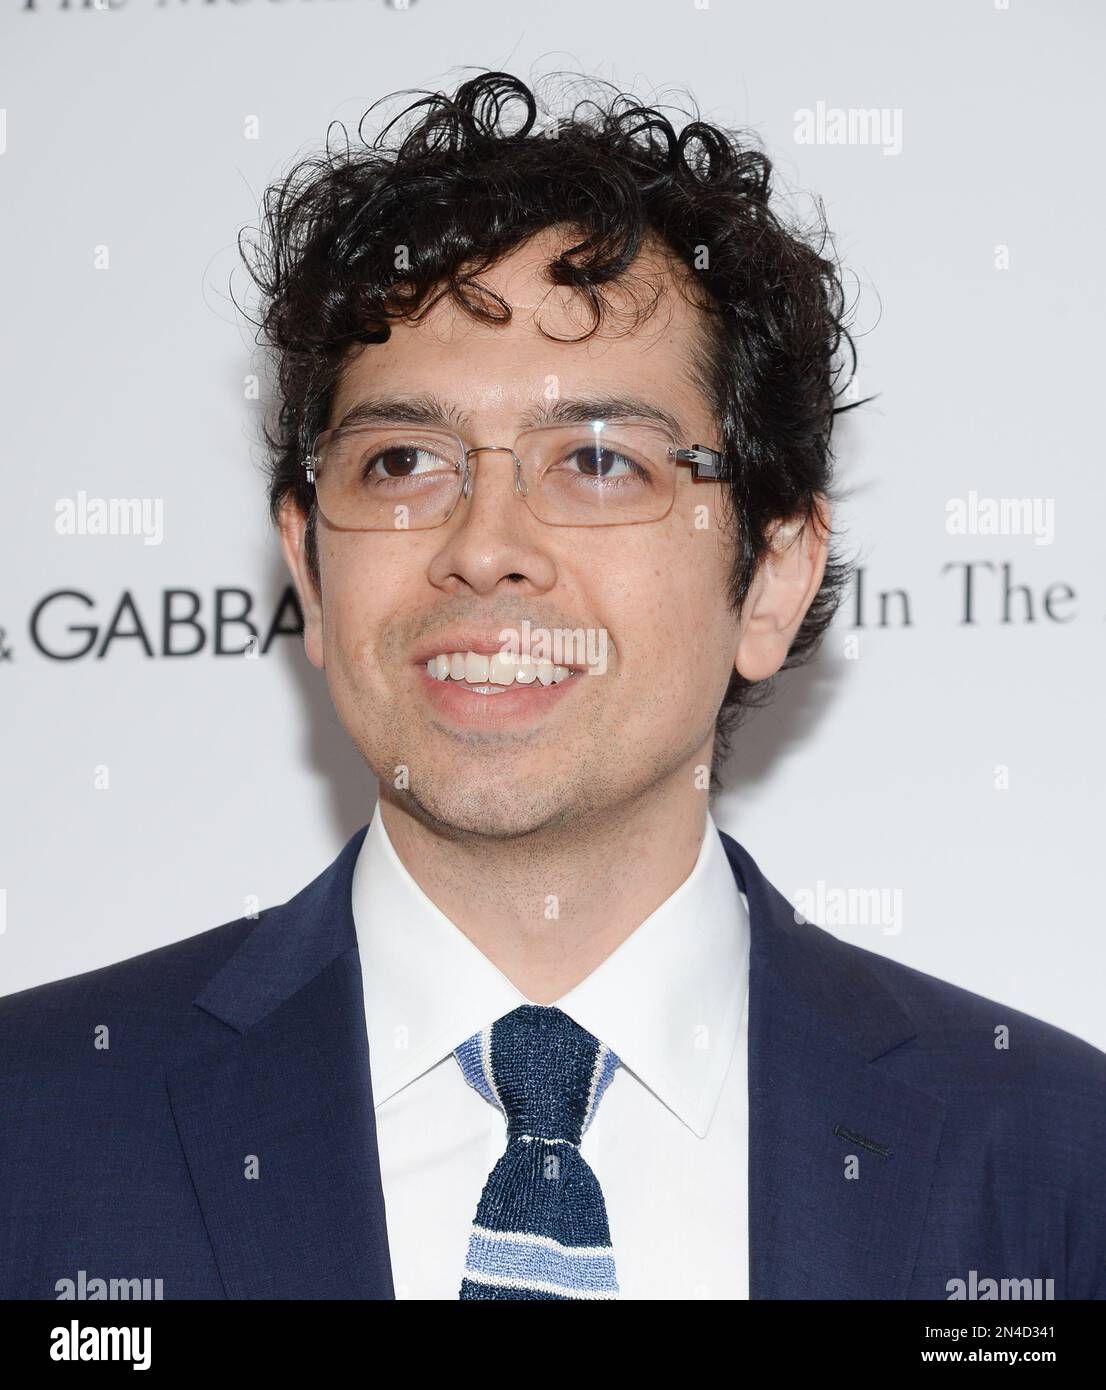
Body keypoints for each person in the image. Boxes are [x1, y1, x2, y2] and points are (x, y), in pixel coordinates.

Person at [2, 70, 1103, 1302]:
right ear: (308, 569)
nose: (482, 545)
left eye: (595, 460)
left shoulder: (1048, 1162)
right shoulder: (35, 1129)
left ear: (773, 574)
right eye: (402, 460)